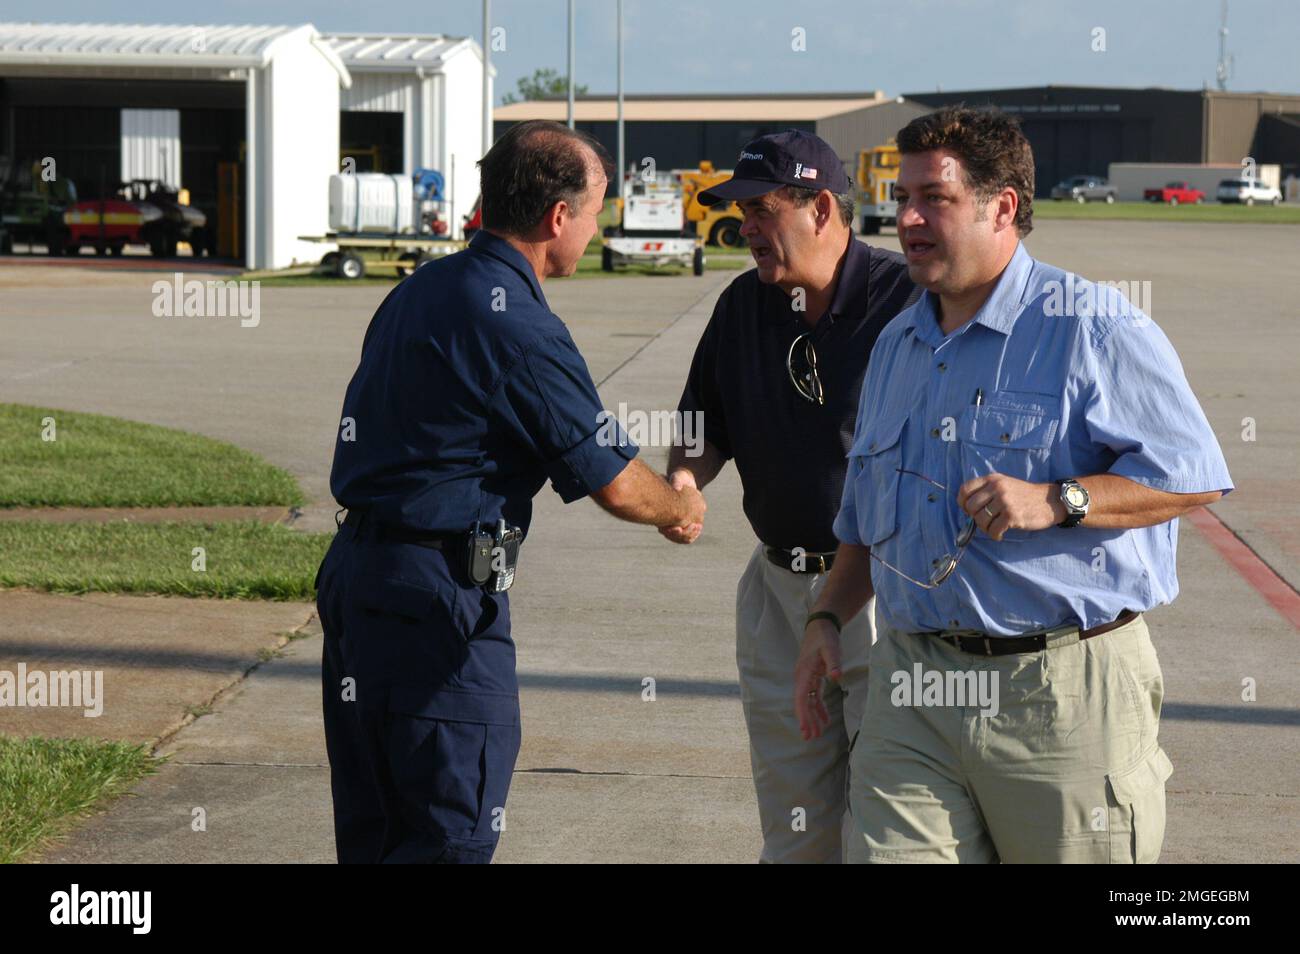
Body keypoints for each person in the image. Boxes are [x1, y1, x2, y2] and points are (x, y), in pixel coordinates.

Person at [794, 105, 1233, 863]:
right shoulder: (899, 343)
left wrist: (1060, 500)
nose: (907, 218)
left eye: (936, 198)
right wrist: (826, 618)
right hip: (916, 694)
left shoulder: (1089, 325)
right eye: (903, 199)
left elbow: (1192, 478)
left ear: (1004, 208)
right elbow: (865, 521)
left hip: (1058, 695)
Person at [317, 120, 705, 864]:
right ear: (559, 216)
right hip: (437, 604)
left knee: (375, 831)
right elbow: (618, 484)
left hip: (362, 582)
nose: (594, 230)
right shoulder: (518, 325)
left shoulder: (422, 290)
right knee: (449, 832)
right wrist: (682, 507)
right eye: (595, 212)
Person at [665, 130, 917, 863]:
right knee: (795, 823)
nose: (744, 229)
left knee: (891, 825)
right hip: (778, 594)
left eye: (760, 210)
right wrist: (685, 477)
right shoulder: (743, 306)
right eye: (739, 214)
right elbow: (699, 424)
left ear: (822, 209)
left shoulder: (909, 303)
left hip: (884, 594)